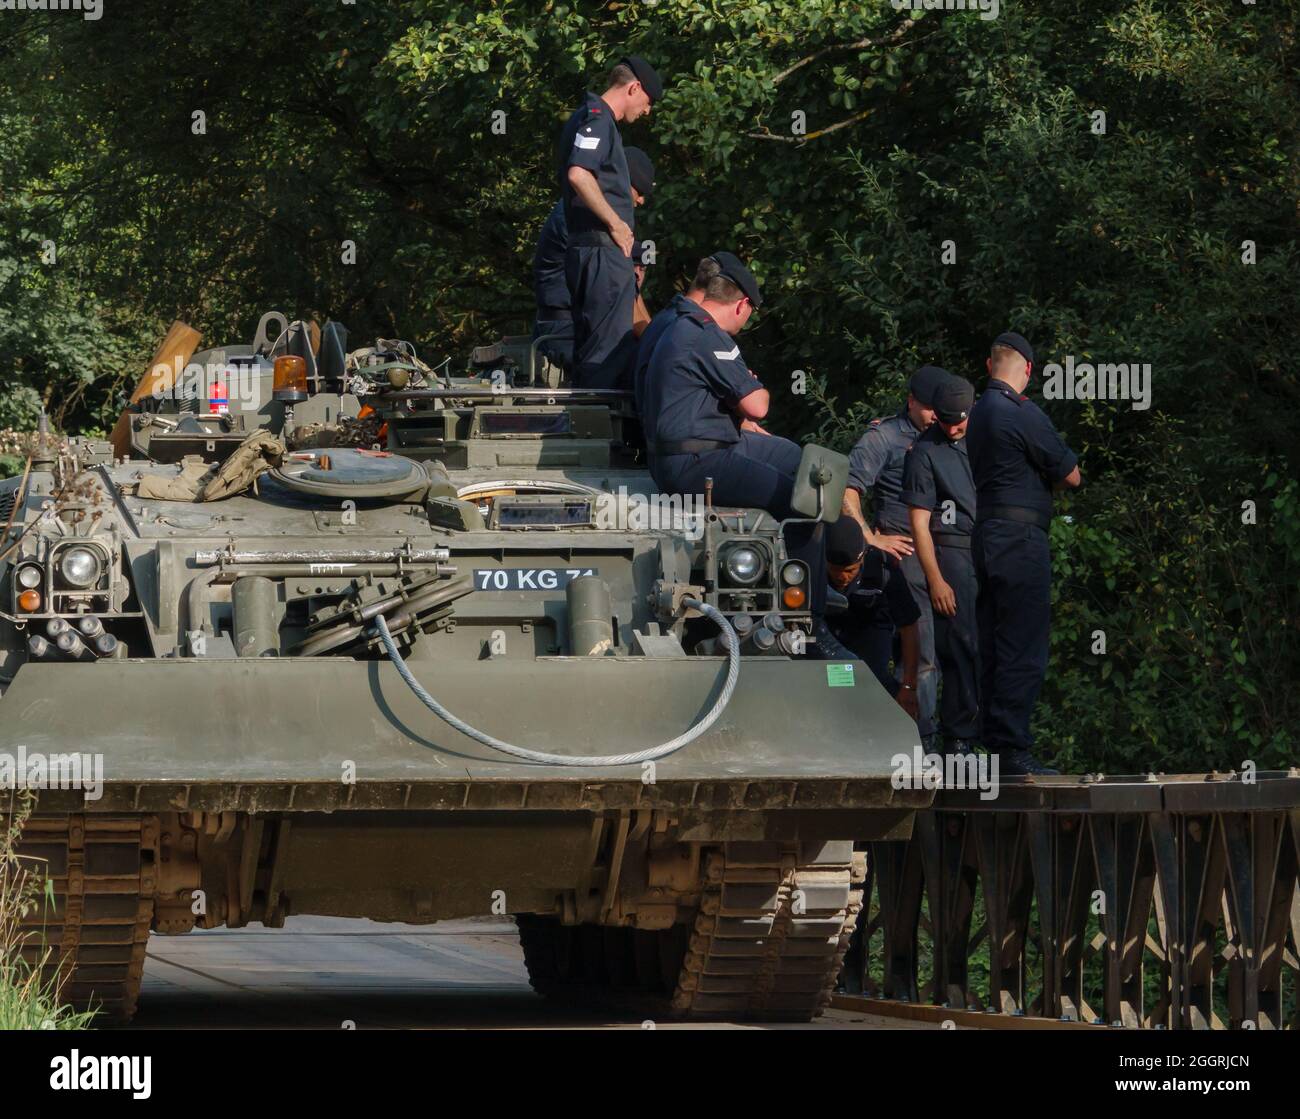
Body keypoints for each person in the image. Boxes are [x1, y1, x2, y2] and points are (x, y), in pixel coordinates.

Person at [638, 251, 856, 656]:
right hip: (697, 460)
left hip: (700, 444)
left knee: (801, 460)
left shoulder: (672, 322)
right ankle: (810, 620)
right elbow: (759, 405)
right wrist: (750, 388)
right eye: (748, 316)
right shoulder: (707, 333)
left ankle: (817, 580)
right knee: (804, 504)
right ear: (741, 305)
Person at [966, 331, 1082, 776]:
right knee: (1023, 644)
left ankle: (991, 745)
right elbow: (1071, 475)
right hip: (1020, 540)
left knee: (993, 642)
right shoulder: (1022, 412)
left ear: (988, 363)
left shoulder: (975, 414)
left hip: (985, 534)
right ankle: (1012, 749)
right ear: (1028, 370)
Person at [842, 365, 945, 744]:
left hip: (948, 554)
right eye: (930, 407)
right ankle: (920, 741)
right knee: (919, 653)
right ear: (912, 401)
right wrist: (870, 537)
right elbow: (846, 489)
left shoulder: (948, 433)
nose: (937, 415)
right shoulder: (884, 436)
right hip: (906, 553)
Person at [557, 55, 663, 390]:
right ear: (634, 88)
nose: (645, 112)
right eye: (647, 103)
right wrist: (617, 225)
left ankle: (585, 430)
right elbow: (578, 174)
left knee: (593, 349)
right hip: (602, 254)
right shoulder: (600, 120)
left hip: (587, 252)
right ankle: (596, 438)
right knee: (610, 354)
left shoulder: (585, 117)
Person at [901, 374, 979, 757]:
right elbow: (919, 522)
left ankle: (997, 736)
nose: (952, 429)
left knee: (992, 644)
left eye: (959, 421)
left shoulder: (987, 434)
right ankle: (958, 738)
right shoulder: (924, 452)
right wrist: (936, 579)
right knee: (958, 645)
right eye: (945, 421)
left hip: (990, 544)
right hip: (951, 550)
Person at [533, 147, 656, 372]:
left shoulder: (591, 212)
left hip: (578, 328)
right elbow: (615, 293)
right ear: (621, 180)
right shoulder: (586, 215)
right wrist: (658, 345)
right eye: (638, 190)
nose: (640, 200)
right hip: (568, 333)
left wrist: (654, 337)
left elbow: (628, 294)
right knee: (650, 373)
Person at [826, 516, 921, 720]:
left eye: (849, 570)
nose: (842, 577)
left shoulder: (882, 568)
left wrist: (909, 686)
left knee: (871, 681)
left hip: (870, 627)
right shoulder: (811, 568)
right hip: (828, 632)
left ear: (862, 559)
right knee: (834, 682)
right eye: (835, 570)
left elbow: (909, 626)